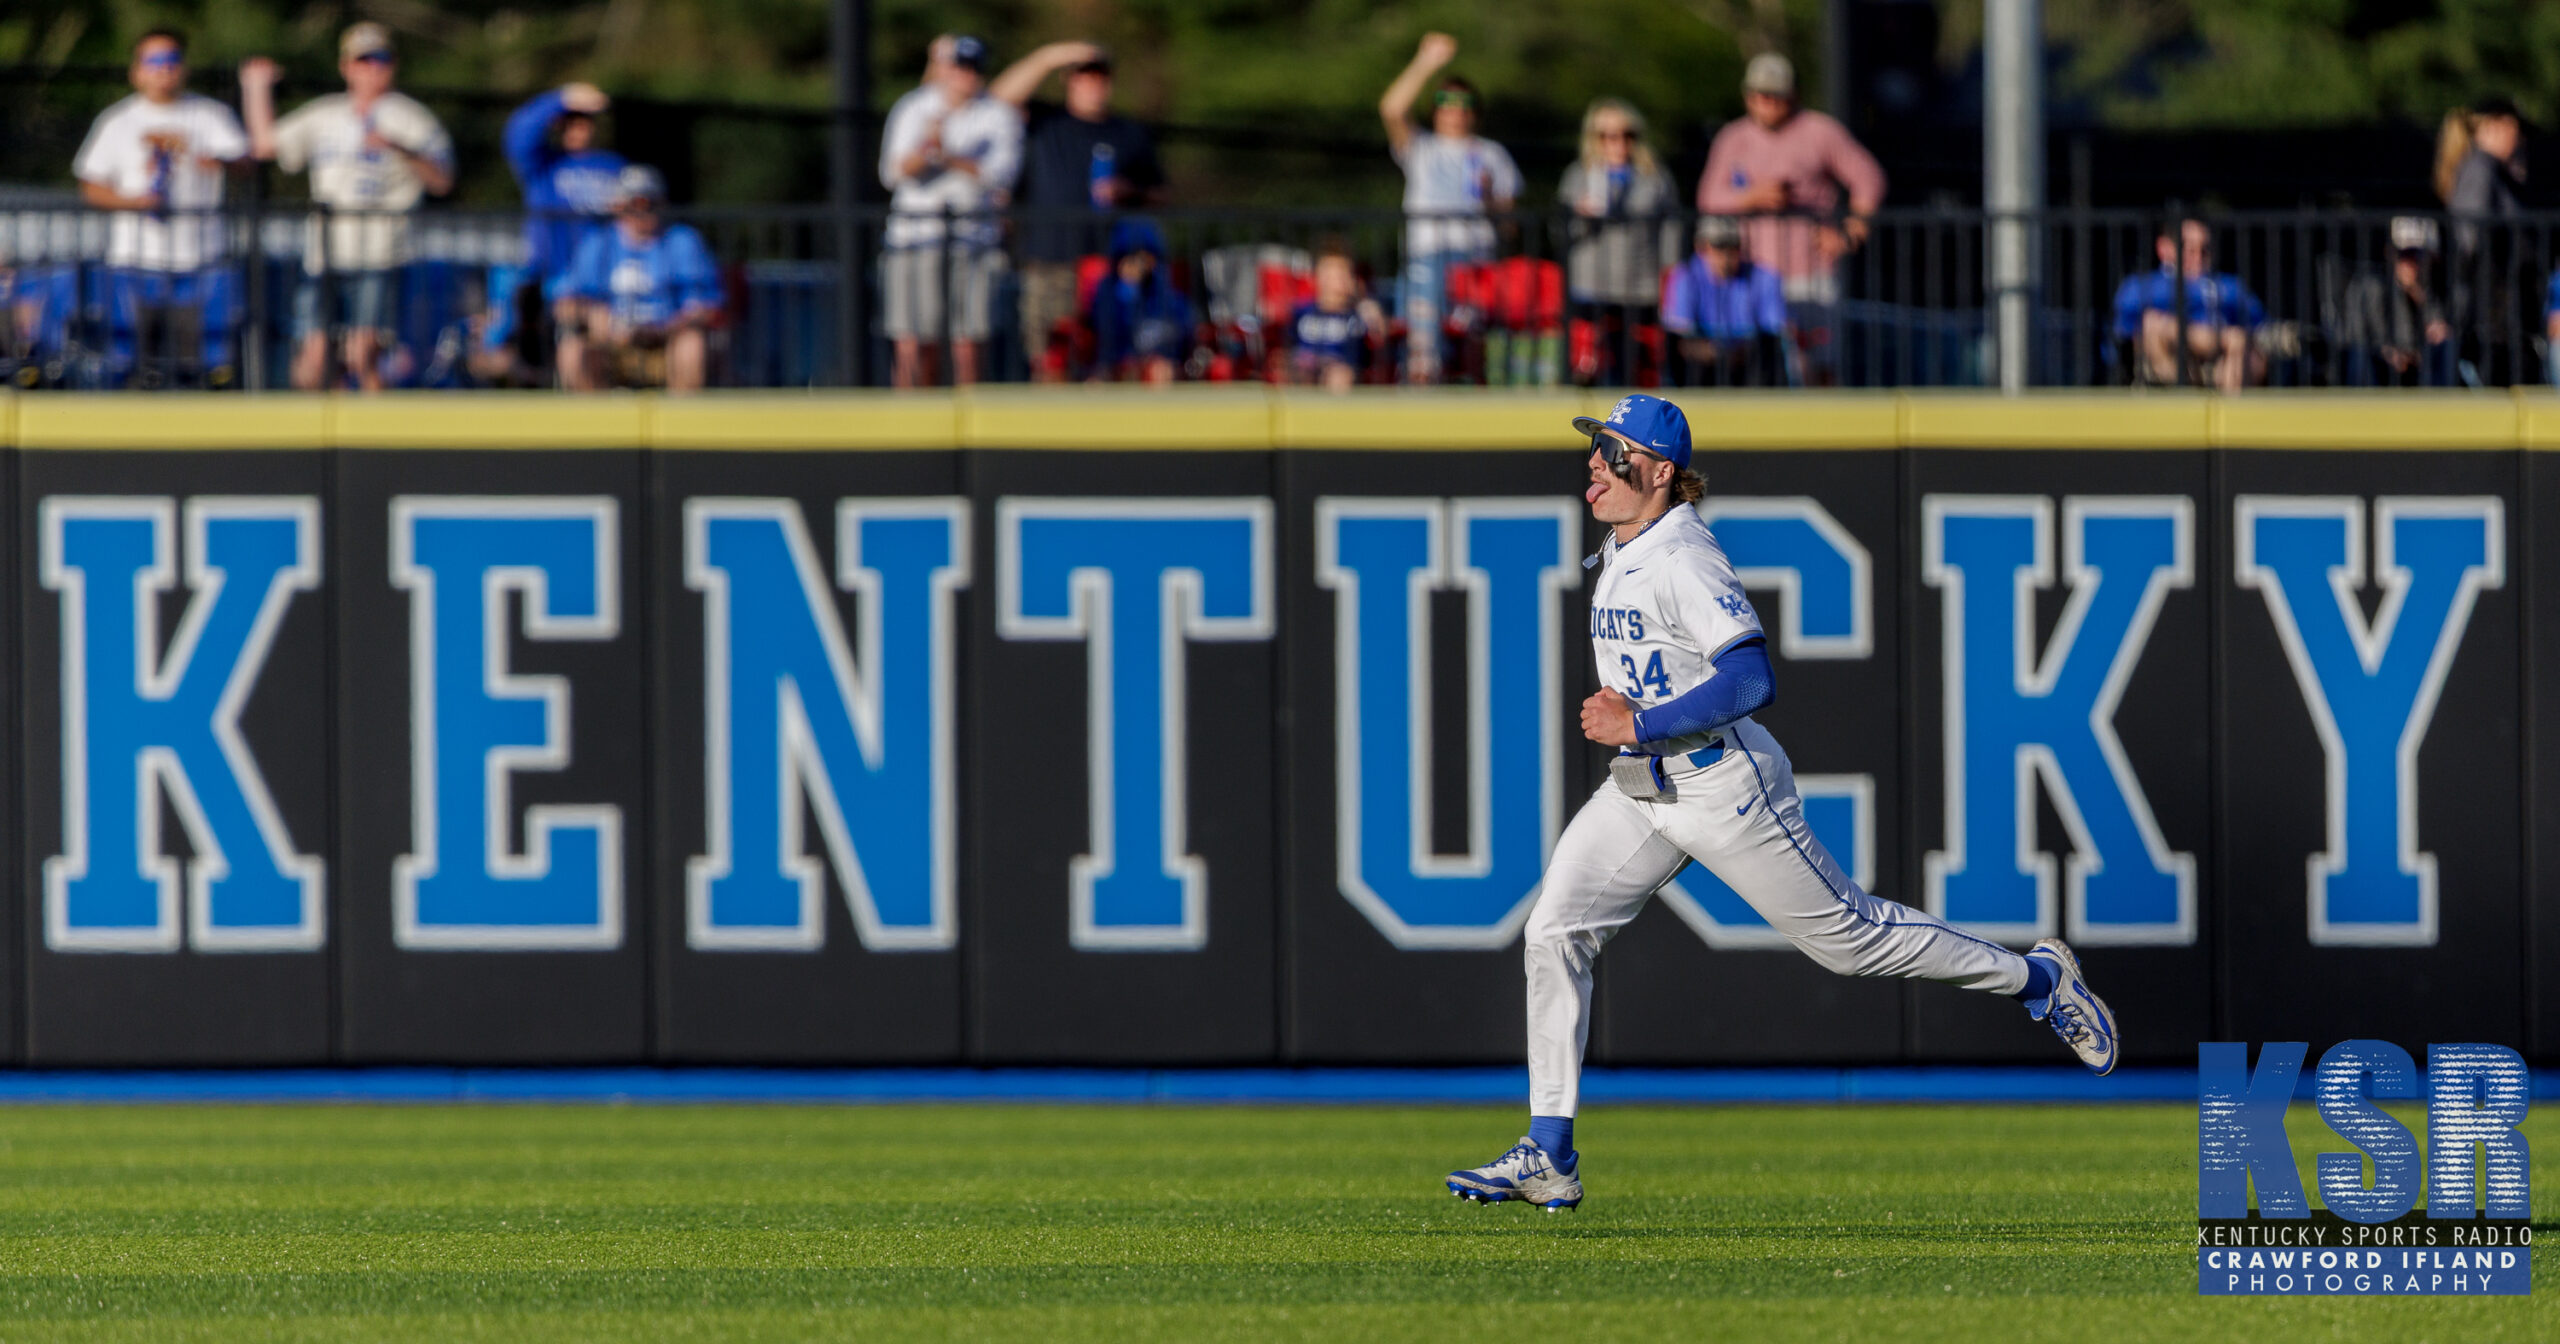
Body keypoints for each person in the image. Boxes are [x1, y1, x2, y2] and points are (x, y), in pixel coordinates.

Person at [1442, 394, 2119, 1212]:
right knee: (1553, 930)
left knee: (1851, 941)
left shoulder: (1683, 555)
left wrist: (1643, 720)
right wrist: (1639, 734)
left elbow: (1752, 677)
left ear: (1659, 473)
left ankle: (2038, 979)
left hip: (1721, 783)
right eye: (1596, 447)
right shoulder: (1626, 542)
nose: (1595, 462)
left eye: (1613, 451)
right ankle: (1548, 1150)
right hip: (1640, 788)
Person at [241, 23, 454, 393]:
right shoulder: (326, 114)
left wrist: (399, 148)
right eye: (363, 60)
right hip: (326, 254)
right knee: (313, 361)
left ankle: (373, 442)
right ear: (347, 67)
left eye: (381, 59)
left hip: (382, 254)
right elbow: (265, 146)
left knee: (363, 353)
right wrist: (255, 88)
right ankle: (325, 441)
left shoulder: (411, 118)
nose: (372, 68)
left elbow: (442, 180)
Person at [73, 29, 250, 387]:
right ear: (136, 70)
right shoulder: (117, 121)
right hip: (135, 260)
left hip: (201, 257)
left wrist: (222, 163)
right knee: (130, 361)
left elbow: (244, 162)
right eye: (154, 61)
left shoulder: (210, 114)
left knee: (206, 364)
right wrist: (133, 202)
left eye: (172, 60)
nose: (164, 69)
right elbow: (90, 186)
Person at [1696, 54, 1884, 384]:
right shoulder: (1733, 137)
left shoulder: (1820, 131)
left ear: (1792, 95)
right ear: (1748, 96)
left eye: (1775, 95)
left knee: (1818, 362)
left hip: (1810, 272)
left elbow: (1868, 178)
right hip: (1749, 274)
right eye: (1759, 95)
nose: (1767, 103)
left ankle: (1824, 429)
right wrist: (1752, 197)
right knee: (1754, 360)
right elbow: (1708, 197)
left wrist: (1850, 232)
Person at [992, 41, 1164, 382]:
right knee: (1049, 358)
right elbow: (998, 98)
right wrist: (1051, 56)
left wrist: (1127, 190)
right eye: (1084, 77)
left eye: (1099, 77)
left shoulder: (1127, 132)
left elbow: (1162, 193)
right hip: (1049, 260)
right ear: (1069, 81)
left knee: (1107, 360)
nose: (1093, 85)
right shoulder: (1045, 121)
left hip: (1109, 266)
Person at [879, 34, 1022, 388]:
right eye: (959, 67)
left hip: (972, 243)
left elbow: (1001, 176)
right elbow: (891, 173)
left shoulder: (999, 115)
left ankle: (971, 430)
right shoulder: (914, 107)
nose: (966, 76)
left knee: (967, 343)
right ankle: (909, 428)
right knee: (913, 342)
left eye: (974, 69)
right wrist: (929, 149)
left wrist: (949, 157)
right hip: (914, 240)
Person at [1378, 32, 1520, 384]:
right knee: (1424, 349)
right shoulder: (1421, 146)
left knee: (1474, 349)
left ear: (1475, 111)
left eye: (1463, 102)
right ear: (1435, 109)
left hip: (1476, 263)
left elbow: (1510, 227)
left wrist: (1489, 200)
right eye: (1445, 101)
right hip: (1428, 256)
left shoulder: (1492, 155)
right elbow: (1392, 109)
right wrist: (1426, 61)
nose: (1455, 110)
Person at [481, 81, 625, 384]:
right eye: (569, 122)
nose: (577, 129)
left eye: (583, 122)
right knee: (528, 307)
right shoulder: (544, 165)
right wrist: (561, 98)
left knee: (600, 338)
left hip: (604, 278)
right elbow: (519, 134)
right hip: (552, 273)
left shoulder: (613, 167)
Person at [556, 165, 720, 392]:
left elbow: (707, 307)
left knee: (692, 346)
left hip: (666, 343)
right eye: (634, 204)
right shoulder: (597, 244)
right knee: (573, 350)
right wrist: (592, 315)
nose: (642, 212)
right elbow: (563, 303)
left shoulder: (683, 241)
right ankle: (593, 424)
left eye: (649, 203)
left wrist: (667, 329)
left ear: (662, 204)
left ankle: (682, 424)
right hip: (611, 348)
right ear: (618, 206)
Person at [1559, 97, 1679, 386]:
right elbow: (1561, 233)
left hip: (1640, 286)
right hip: (1591, 285)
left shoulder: (1655, 177)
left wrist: (1669, 275)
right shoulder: (1578, 175)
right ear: (1594, 138)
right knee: (1588, 370)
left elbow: (1671, 229)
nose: (1618, 142)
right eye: (1607, 136)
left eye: (1627, 134)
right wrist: (1580, 215)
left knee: (1637, 370)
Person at [2109, 219, 2265, 392]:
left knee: (2245, 346)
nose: (2198, 256)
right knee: (2152, 325)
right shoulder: (2142, 285)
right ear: (2164, 248)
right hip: (2170, 357)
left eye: (2204, 249)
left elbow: (2259, 326)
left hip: (2224, 360)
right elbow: (2127, 327)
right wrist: (2202, 336)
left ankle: (2230, 412)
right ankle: (2184, 395)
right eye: (2188, 248)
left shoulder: (2230, 286)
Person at [2438, 98, 2531, 386]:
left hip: (2497, 306)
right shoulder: (2480, 169)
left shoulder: (2494, 170)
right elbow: (2469, 237)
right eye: (2515, 129)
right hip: (2489, 308)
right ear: (2498, 126)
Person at [1658, 216, 1789, 386]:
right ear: (1701, 248)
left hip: (1745, 354)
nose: (1727, 255)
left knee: (1769, 349)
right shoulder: (1685, 276)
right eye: (1719, 246)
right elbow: (1680, 335)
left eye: (1734, 247)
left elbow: (1775, 330)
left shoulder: (1764, 276)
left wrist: (1733, 352)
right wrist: (1717, 352)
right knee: (1677, 347)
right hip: (1704, 357)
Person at [2341, 217, 2454, 387]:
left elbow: (2436, 330)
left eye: (2417, 256)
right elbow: (2356, 333)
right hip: (2379, 363)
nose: (2411, 263)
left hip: (2416, 365)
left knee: (2447, 344)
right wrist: (2387, 351)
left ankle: (2438, 410)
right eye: (2405, 256)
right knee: (2360, 354)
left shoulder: (2430, 291)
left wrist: (2420, 297)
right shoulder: (2372, 287)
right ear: (2392, 256)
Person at [1086, 217, 1188, 385]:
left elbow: (1178, 327)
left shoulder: (1163, 288)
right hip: (1116, 361)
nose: (1136, 265)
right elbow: (1103, 329)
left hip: (1155, 359)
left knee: (1159, 371)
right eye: (1130, 258)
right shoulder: (1108, 289)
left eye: (1142, 258)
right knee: (1096, 383)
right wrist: (1127, 294)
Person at [1287, 244, 1382, 391]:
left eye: (1341, 273)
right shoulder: (1302, 312)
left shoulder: (1356, 314)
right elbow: (1287, 345)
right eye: (1329, 274)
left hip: (1342, 371)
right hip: (1305, 368)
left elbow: (1378, 342)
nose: (1336, 281)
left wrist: (1371, 313)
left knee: (1338, 375)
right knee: (1299, 371)